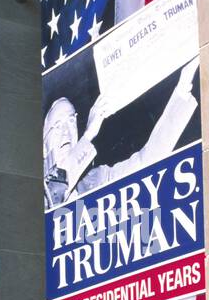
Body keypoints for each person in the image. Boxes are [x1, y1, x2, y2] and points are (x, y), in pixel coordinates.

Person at [43, 56, 199, 210]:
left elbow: (147, 160)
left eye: (71, 122)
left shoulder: (94, 179)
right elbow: (53, 195)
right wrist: (88, 136)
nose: (66, 131)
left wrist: (183, 85)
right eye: (57, 125)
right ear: (43, 146)